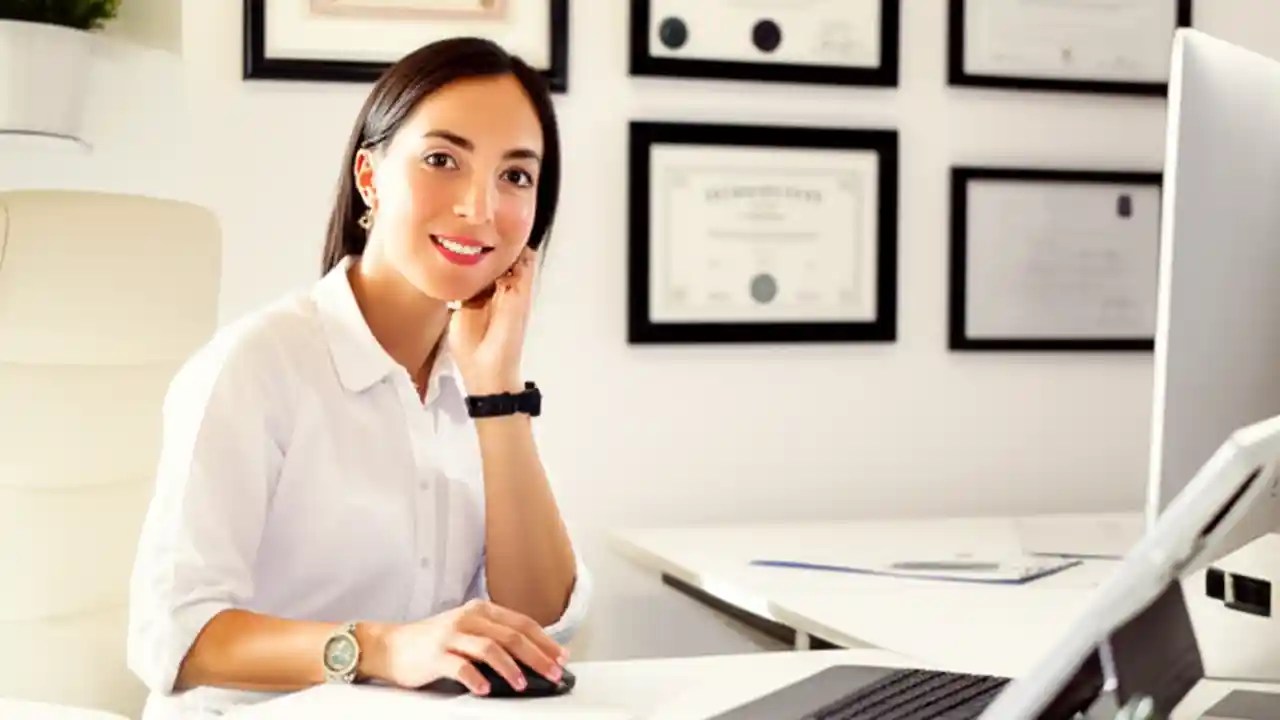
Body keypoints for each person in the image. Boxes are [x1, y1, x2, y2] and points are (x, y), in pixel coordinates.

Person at [125, 36, 591, 719]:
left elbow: (539, 625)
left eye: (515, 176)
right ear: (370, 178)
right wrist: (383, 648)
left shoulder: (479, 380)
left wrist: (498, 394)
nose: (479, 208)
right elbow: (174, 636)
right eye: (442, 160)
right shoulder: (258, 365)